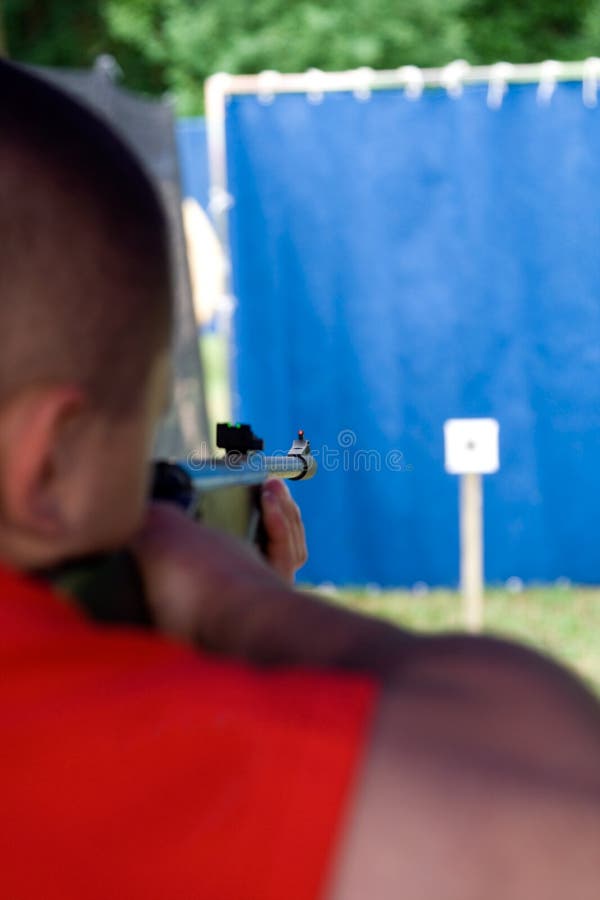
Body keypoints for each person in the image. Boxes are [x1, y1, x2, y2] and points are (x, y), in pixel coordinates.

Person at [0, 59, 598, 900]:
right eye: (136, 454)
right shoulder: (117, 754)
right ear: (47, 463)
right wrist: (234, 600)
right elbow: (560, 797)